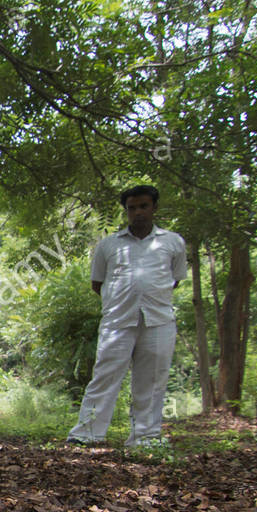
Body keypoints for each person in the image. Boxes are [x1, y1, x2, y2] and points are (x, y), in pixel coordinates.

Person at [67, 185, 186, 448]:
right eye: (132, 208)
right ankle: (87, 433)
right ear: (126, 211)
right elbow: (97, 283)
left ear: (154, 207)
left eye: (143, 206)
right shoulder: (109, 244)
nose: (138, 212)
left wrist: (147, 294)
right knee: (105, 376)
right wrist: (122, 301)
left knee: (153, 380)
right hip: (117, 321)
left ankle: (145, 437)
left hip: (158, 321)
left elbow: (174, 280)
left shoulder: (173, 242)